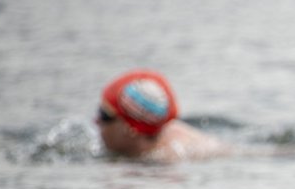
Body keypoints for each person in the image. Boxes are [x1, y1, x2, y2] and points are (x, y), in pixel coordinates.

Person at [96, 69, 227, 162]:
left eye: (104, 115)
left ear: (130, 130)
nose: (96, 121)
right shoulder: (161, 127)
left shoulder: (167, 161)